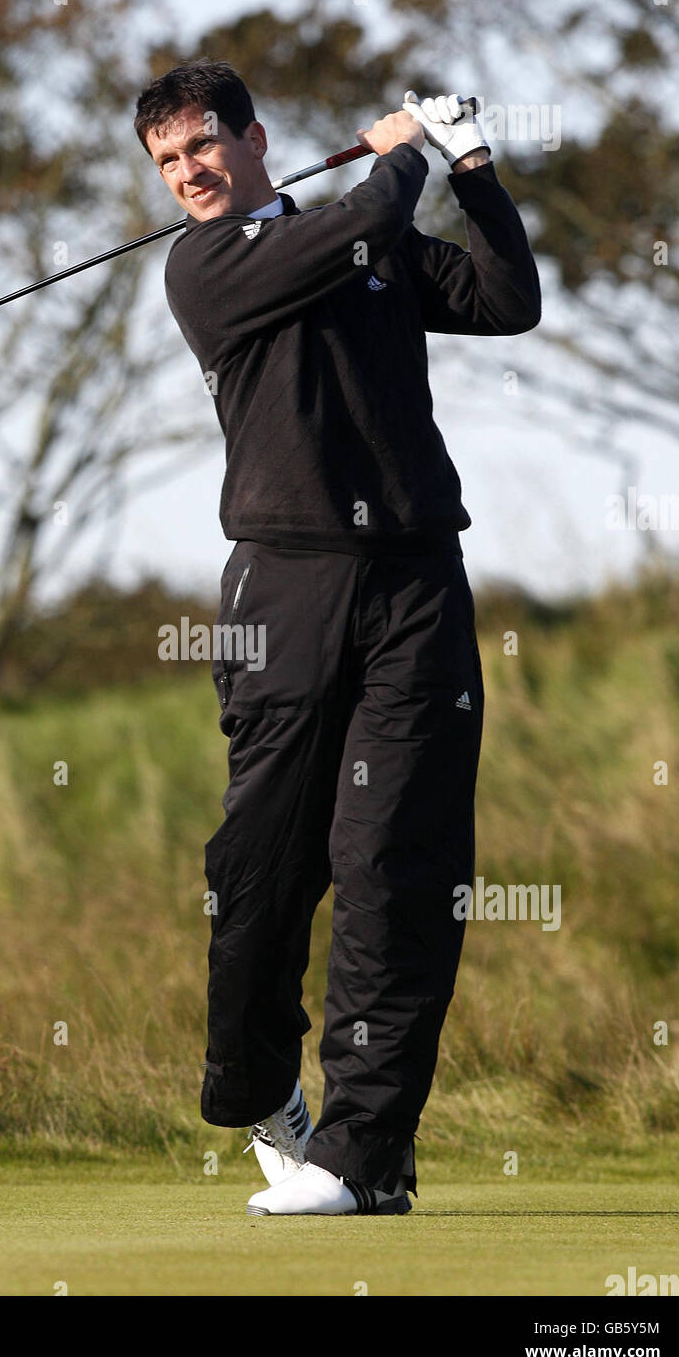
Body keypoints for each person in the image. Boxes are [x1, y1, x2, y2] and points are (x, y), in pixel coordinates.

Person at [134, 60, 540, 1215]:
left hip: (415, 584)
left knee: (395, 870)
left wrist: (472, 168)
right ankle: (262, 1088)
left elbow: (507, 299)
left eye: (203, 145)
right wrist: (403, 143)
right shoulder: (204, 268)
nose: (188, 173)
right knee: (259, 869)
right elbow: (366, 209)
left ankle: (363, 1156)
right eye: (166, 162)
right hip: (285, 594)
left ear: (252, 137)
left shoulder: (363, 239)